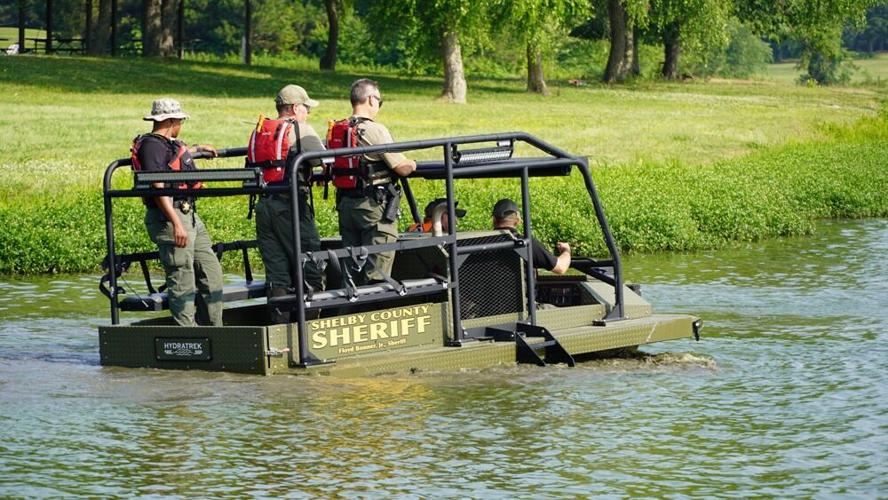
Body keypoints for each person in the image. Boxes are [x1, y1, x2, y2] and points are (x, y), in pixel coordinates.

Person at [132, 98, 223, 326]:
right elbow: (158, 186)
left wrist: (198, 149)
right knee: (182, 278)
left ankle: (216, 332)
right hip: (170, 216)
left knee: (211, 272)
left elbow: (175, 157)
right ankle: (190, 337)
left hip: (188, 213)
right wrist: (176, 223)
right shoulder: (151, 145)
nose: (181, 124)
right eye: (180, 120)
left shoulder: (166, 143)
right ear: (171, 120)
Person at [249, 85, 326, 322]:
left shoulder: (262, 130)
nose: (308, 113)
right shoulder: (300, 128)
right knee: (311, 263)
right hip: (291, 207)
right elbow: (324, 160)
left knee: (277, 272)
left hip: (264, 205)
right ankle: (311, 330)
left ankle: (279, 329)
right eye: (306, 108)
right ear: (294, 108)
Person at [336, 78, 416, 283]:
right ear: (371, 99)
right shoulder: (374, 130)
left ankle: (348, 309)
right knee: (378, 268)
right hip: (372, 208)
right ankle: (371, 311)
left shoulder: (340, 129)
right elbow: (401, 167)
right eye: (379, 101)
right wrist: (413, 163)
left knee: (351, 268)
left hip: (346, 205)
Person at [492, 198, 571, 274]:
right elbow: (561, 268)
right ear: (518, 220)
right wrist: (566, 251)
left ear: (494, 220)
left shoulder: (482, 244)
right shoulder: (527, 244)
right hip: (521, 288)